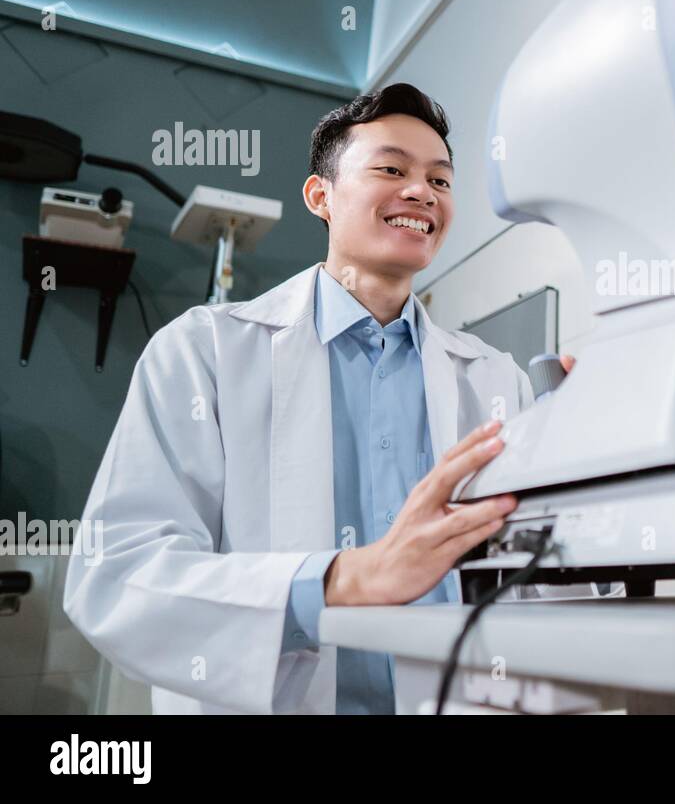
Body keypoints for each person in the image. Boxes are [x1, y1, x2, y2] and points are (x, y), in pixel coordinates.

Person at [64, 84, 550, 714]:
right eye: (392, 169)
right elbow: (118, 573)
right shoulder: (202, 353)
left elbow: (535, 577)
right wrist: (344, 581)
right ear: (321, 196)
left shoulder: (495, 380)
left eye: (441, 179)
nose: (422, 192)